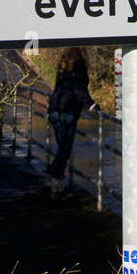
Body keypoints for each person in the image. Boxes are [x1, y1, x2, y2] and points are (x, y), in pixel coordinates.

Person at [46, 46, 95, 192]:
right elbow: (79, 89)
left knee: (62, 148)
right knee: (64, 150)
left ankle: (54, 179)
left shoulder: (62, 68)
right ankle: (55, 179)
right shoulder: (79, 66)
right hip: (68, 110)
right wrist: (91, 104)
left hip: (54, 110)